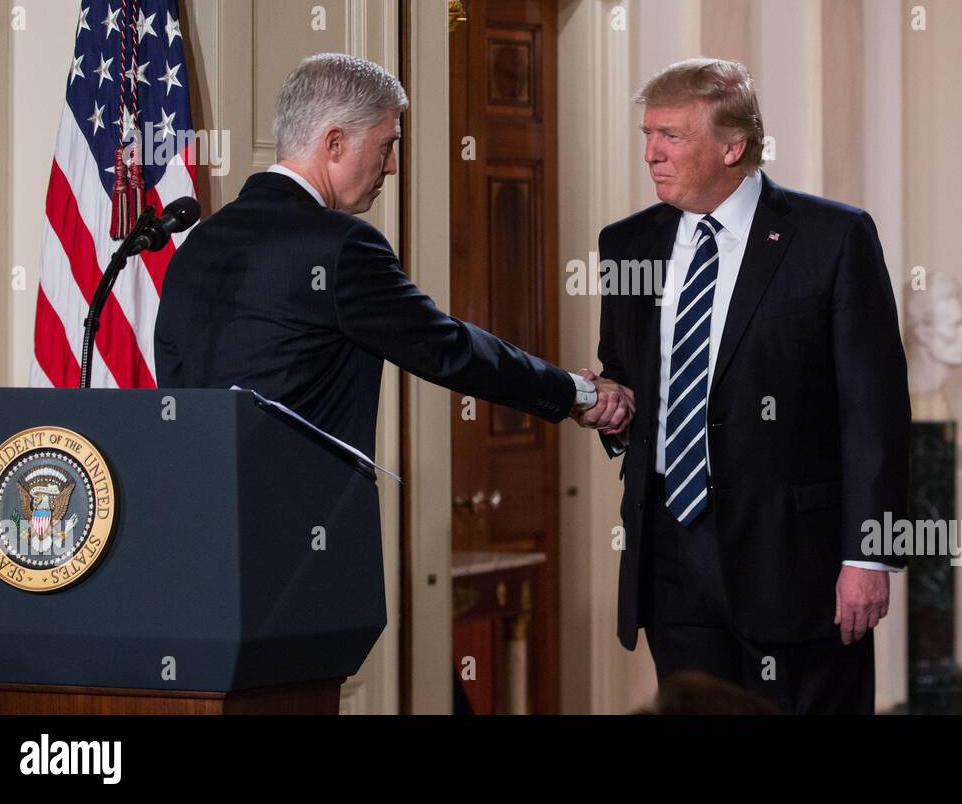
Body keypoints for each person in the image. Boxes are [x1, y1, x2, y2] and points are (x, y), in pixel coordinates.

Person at [590, 57, 910, 713]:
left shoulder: (832, 237)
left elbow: (874, 409)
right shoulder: (627, 244)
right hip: (672, 561)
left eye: (671, 136)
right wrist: (614, 406)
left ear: (733, 145)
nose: (651, 153)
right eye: (647, 134)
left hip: (799, 563)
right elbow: (622, 369)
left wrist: (869, 556)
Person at [155, 52, 633, 457]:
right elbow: (445, 348)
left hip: (202, 521)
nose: (393, 166)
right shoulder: (341, 243)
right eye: (386, 145)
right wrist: (575, 392)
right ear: (335, 142)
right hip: (303, 528)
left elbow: (174, 383)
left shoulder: (199, 241)